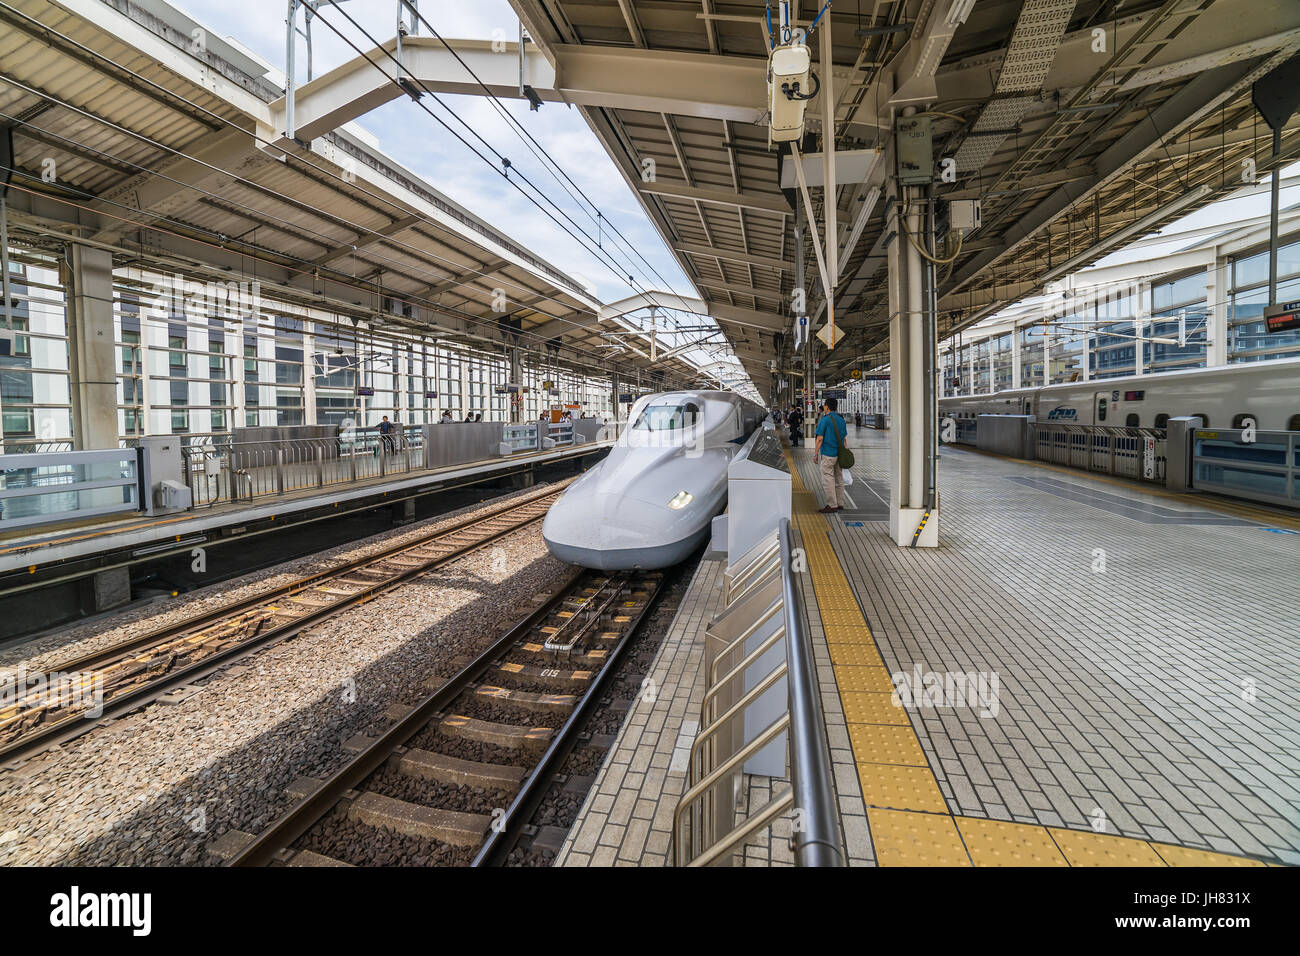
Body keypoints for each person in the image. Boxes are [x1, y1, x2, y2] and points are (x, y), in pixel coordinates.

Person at [813, 397, 847, 514]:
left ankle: (831, 505)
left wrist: (815, 453)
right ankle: (840, 503)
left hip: (828, 454)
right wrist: (844, 452)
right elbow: (844, 439)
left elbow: (820, 439)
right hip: (839, 453)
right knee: (839, 478)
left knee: (828, 479)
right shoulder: (841, 420)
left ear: (826, 407)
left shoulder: (825, 420)